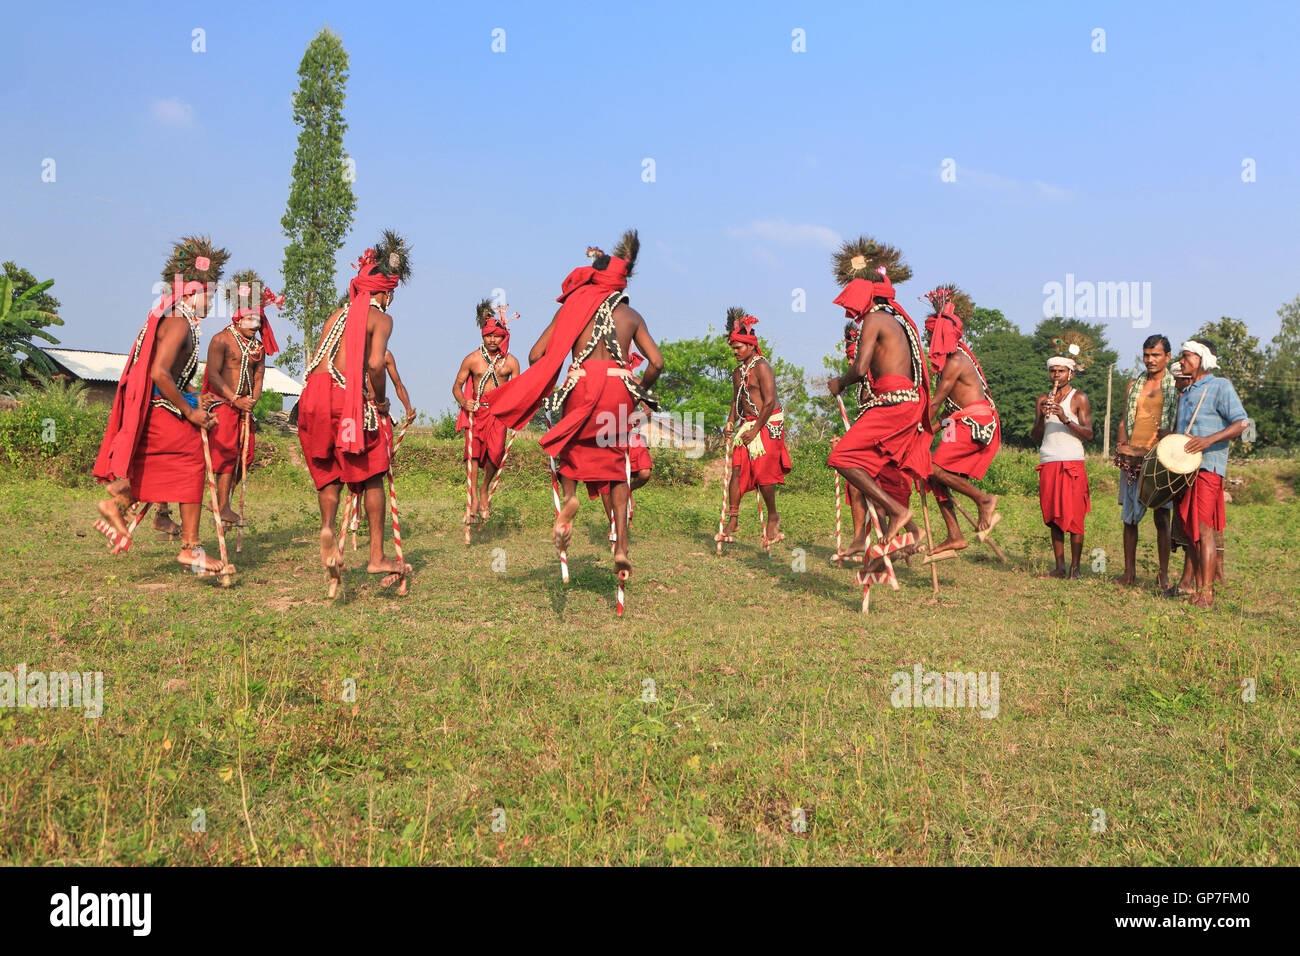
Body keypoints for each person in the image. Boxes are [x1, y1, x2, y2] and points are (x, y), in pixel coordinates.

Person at [483, 230, 664, 579]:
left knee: (570, 452)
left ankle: (570, 502)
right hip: (617, 392)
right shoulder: (631, 316)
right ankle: (621, 546)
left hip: (580, 387)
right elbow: (656, 362)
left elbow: (537, 355)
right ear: (621, 287)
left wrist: (562, 368)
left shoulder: (573, 309)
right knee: (618, 466)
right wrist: (638, 388)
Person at [92, 236, 232, 574]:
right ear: (191, 292)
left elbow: (171, 376)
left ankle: (120, 501)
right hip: (162, 413)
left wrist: (195, 396)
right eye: (209, 295)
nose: (211, 302)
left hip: (160, 408)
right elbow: (158, 372)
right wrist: (190, 411)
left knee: (163, 467)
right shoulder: (179, 322)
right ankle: (188, 547)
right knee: (193, 464)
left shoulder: (174, 319)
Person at [297, 230, 412, 595]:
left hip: (312, 398)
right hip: (341, 396)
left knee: (330, 471)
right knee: (372, 472)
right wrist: (379, 403)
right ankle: (377, 556)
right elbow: (376, 365)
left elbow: (322, 361)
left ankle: (329, 526)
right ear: (385, 293)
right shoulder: (380, 319)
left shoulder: (336, 315)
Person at [826, 238, 932, 566]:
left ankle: (900, 512)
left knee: (842, 457)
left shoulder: (875, 319)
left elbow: (859, 369)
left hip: (893, 405)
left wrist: (838, 382)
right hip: (899, 404)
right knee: (871, 469)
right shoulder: (894, 320)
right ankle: (910, 531)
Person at [922, 286, 1002, 555]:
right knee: (931, 474)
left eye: (931, 335)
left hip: (975, 424)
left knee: (934, 469)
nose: (928, 339)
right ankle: (955, 535)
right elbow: (945, 414)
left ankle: (984, 499)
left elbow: (935, 403)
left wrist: (915, 430)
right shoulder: (947, 364)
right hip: (959, 423)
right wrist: (924, 435)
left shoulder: (956, 361)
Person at [1171, 338, 1249, 608]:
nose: (1181, 362)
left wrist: (1207, 440)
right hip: (1184, 471)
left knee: (1204, 530)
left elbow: (1242, 422)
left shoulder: (1220, 386)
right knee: (1190, 529)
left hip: (1208, 467)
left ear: (1202, 359)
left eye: (1186, 357)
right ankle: (1197, 587)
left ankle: (1207, 592)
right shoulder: (1187, 392)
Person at [201, 270, 281, 527]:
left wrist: (252, 401)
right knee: (224, 455)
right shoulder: (221, 339)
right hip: (222, 405)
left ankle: (222, 504)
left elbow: (258, 378)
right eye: (250, 319)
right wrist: (234, 399)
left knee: (242, 456)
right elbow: (213, 375)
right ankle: (221, 506)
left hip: (244, 408)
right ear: (238, 318)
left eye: (258, 319)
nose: (256, 324)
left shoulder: (257, 348)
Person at [717, 309, 792, 548]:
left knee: (763, 473)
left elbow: (769, 401)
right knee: (737, 471)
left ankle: (773, 515)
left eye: (739, 347)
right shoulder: (737, 373)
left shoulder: (763, 367)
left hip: (769, 423)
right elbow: (735, 400)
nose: (735, 352)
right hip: (747, 424)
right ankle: (734, 519)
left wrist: (756, 429)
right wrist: (730, 422)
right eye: (733, 348)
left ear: (750, 346)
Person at [1113, 334, 1178, 589]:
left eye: (1156, 355)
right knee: (1129, 518)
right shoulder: (1134, 386)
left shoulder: (1175, 388)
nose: (1150, 360)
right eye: (1147, 355)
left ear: (1168, 357)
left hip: (1160, 459)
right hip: (1133, 458)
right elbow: (1122, 421)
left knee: (1162, 518)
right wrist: (1121, 447)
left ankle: (1163, 576)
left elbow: (1178, 426)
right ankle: (1129, 573)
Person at [452, 300, 519, 522]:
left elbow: (518, 391)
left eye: (496, 336)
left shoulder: (511, 362)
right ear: (482, 336)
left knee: (496, 454)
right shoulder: (472, 359)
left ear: (503, 337)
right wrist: (464, 402)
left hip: (498, 415)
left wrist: (517, 414)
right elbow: (457, 386)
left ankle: (484, 487)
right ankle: (472, 499)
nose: (492, 340)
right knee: (471, 454)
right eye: (488, 335)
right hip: (476, 413)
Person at [1031, 353, 1094, 578]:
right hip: (1048, 460)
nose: (1056, 375)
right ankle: (1059, 567)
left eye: (1061, 371)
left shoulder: (1079, 398)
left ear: (1070, 373)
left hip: (1072, 461)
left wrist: (1065, 417)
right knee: (1052, 515)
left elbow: (1089, 434)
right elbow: (1036, 436)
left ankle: (1075, 569)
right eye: (1053, 371)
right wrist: (1041, 416)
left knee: (1075, 516)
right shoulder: (1042, 399)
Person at [598, 349, 654, 540]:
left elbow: (648, 411)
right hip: (608, 436)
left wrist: (634, 416)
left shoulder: (637, 383)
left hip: (632, 434)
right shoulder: (603, 382)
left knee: (645, 472)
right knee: (606, 484)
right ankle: (614, 525)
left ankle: (628, 492)